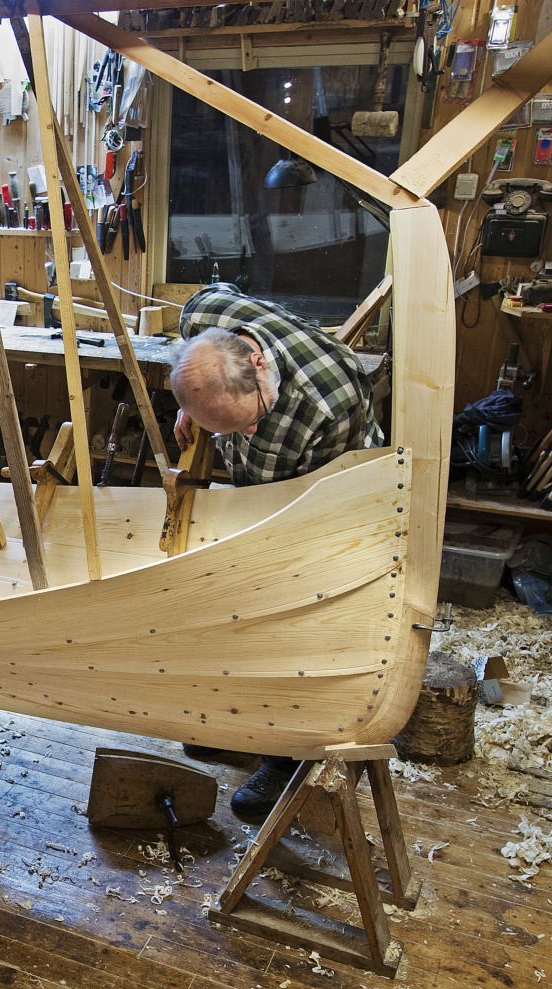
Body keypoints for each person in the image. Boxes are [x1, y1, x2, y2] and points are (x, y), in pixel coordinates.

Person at [169, 283, 384, 821]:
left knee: (288, 616)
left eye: (250, 422)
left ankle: (283, 754)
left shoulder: (331, 404)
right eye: (227, 427)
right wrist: (200, 415)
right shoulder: (206, 314)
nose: (244, 432)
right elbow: (205, 305)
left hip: (326, 496)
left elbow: (310, 514)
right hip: (255, 483)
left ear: (260, 366)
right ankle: (230, 722)